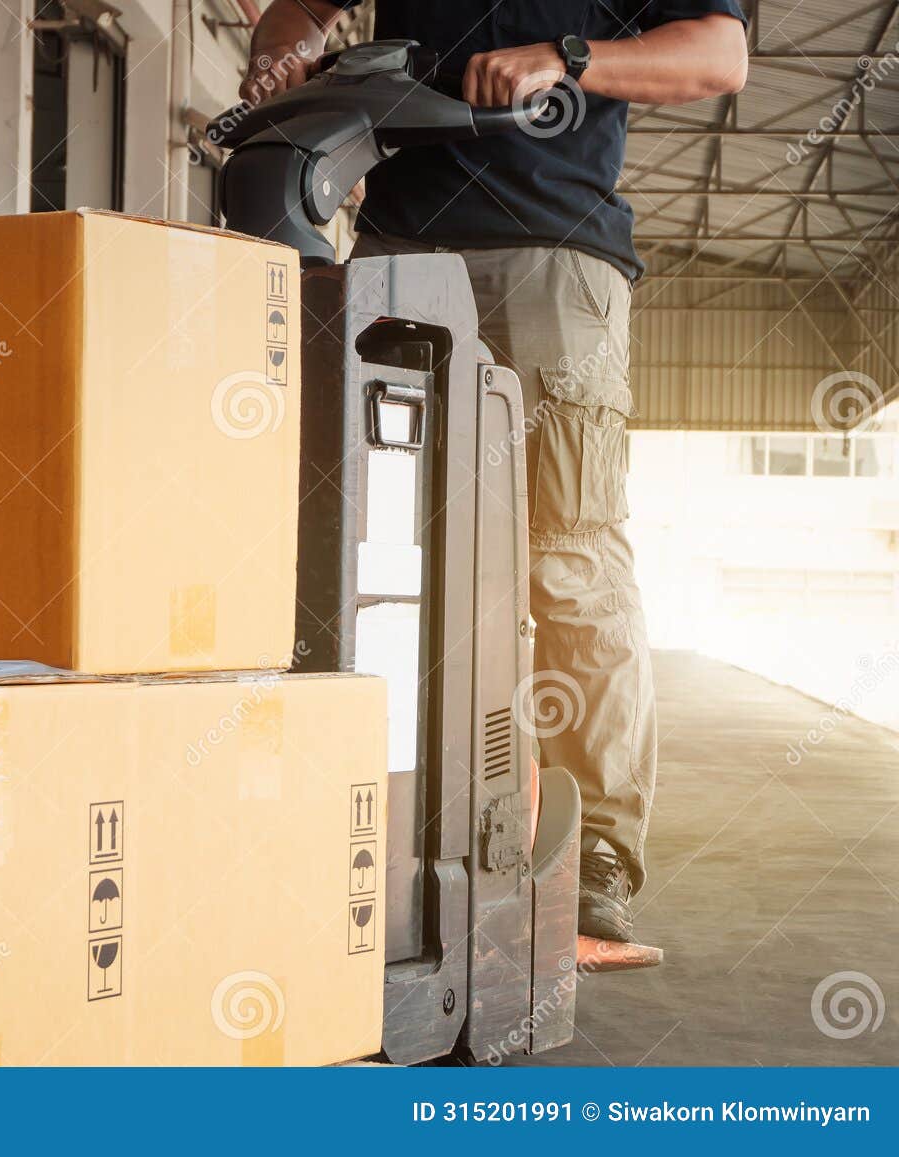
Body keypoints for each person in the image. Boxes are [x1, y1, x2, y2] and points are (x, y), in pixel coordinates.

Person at [239, 1, 749, 944]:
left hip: (553, 254)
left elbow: (720, 57)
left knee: (565, 555)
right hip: (399, 248)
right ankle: (371, 811)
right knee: (372, 552)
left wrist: (570, 59)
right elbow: (296, 11)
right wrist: (286, 55)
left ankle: (593, 845)